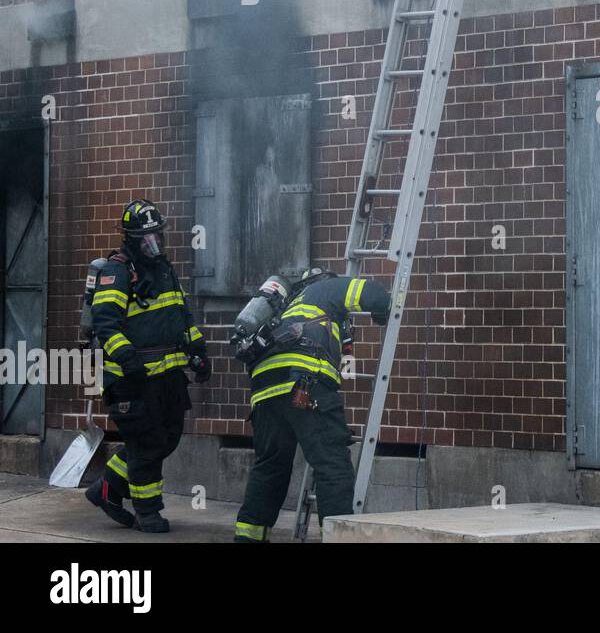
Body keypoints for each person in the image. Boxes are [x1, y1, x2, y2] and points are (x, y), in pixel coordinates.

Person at [233, 267, 390, 542]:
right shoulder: (325, 289)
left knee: (270, 467)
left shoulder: (280, 308)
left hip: (264, 391)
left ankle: (247, 538)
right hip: (305, 384)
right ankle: (337, 538)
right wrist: (385, 308)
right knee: (332, 465)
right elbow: (374, 295)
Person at [84, 198, 210, 533]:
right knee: (146, 445)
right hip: (132, 379)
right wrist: (127, 360)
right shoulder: (117, 271)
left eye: (158, 235)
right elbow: (106, 323)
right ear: (131, 238)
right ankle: (147, 512)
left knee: (168, 438)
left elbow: (180, 314)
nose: (155, 242)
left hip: (168, 376)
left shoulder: (164, 269)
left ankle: (106, 488)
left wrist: (197, 349)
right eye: (147, 238)